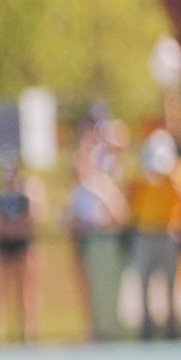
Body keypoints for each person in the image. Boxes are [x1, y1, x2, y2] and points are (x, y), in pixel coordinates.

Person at [127, 129, 181, 340]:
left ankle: (172, 327)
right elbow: (132, 204)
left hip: (168, 233)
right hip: (145, 233)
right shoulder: (140, 178)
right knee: (144, 283)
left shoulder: (178, 174)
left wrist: (170, 175)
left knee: (171, 284)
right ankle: (146, 328)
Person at [65, 140, 128, 340]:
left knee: (108, 288)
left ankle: (112, 328)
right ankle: (95, 330)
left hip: (104, 242)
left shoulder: (100, 184)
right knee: (89, 290)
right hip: (85, 243)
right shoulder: (76, 191)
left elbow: (120, 214)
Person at [0, 154, 46, 343]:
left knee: (27, 288)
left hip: (24, 244)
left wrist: (15, 228)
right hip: (3, 246)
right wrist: (9, 228)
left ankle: (29, 329)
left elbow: (35, 218)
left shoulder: (28, 189)